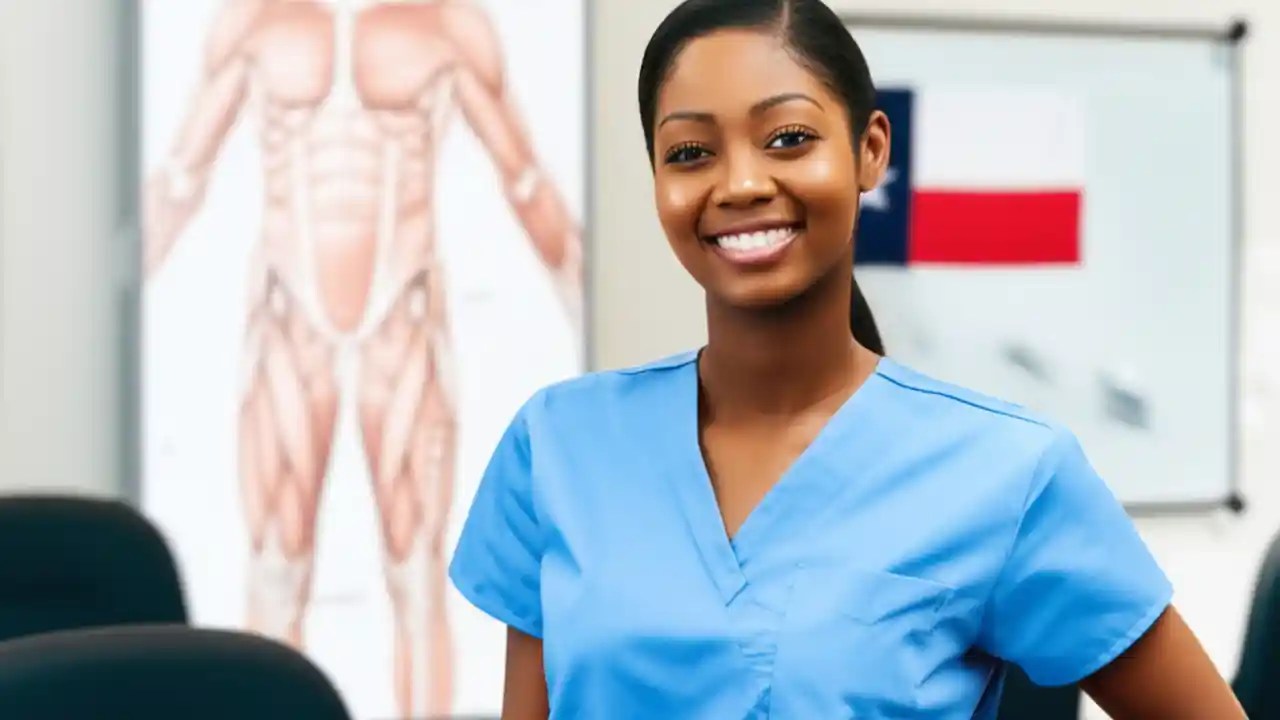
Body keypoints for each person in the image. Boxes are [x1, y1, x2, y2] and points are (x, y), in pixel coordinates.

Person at [448, 0, 1244, 717]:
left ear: (869, 150)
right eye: (690, 152)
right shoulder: (559, 446)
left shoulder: (1006, 472)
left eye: (788, 139)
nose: (741, 182)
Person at [143, 0, 582, 716]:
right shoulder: (252, 22)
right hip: (290, 319)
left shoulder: (449, 26)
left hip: (400, 318)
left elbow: (524, 177)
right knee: (278, 568)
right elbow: (180, 177)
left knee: (415, 575)